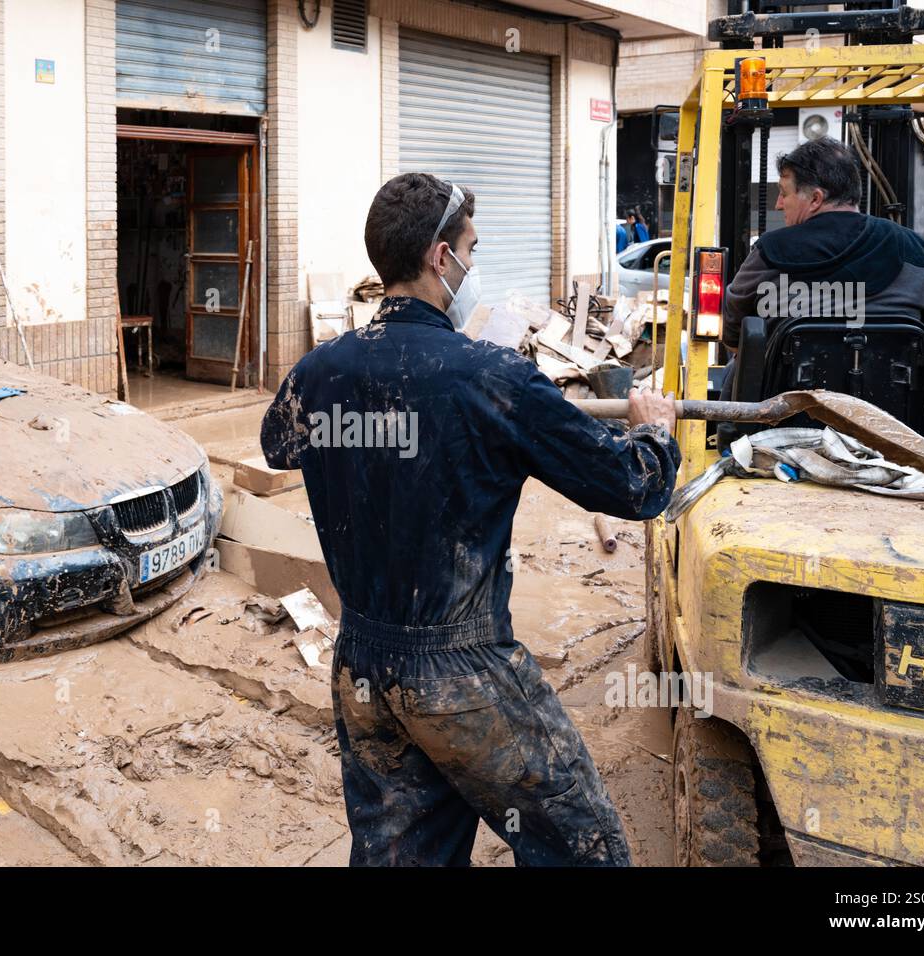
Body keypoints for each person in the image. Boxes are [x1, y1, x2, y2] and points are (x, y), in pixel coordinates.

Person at [260, 172, 680, 867]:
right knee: (585, 850)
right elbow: (634, 488)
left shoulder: (319, 372)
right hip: (462, 674)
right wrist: (654, 432)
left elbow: (279, 445)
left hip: (364, 672)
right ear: (439, 258)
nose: (474, 267)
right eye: (472, 251)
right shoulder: (491, 378)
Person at [722, 136, 924, 394]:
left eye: (784, 194)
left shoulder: (769, 253)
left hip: (783, 424)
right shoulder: (918, 253)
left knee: (738, 368)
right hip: (898, 426)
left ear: (816, 199)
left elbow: (735, 337)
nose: (778, 203)